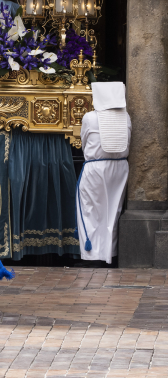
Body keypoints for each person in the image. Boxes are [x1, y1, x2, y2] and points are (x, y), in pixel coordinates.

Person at [75, 82, 131, 265]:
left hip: (96, 167)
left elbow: (84, 141)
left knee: (90, 210)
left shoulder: (90, 117)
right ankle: (110, 255)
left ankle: (92, 256)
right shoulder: (127, 117)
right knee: (113, 212)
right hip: (120, 168)